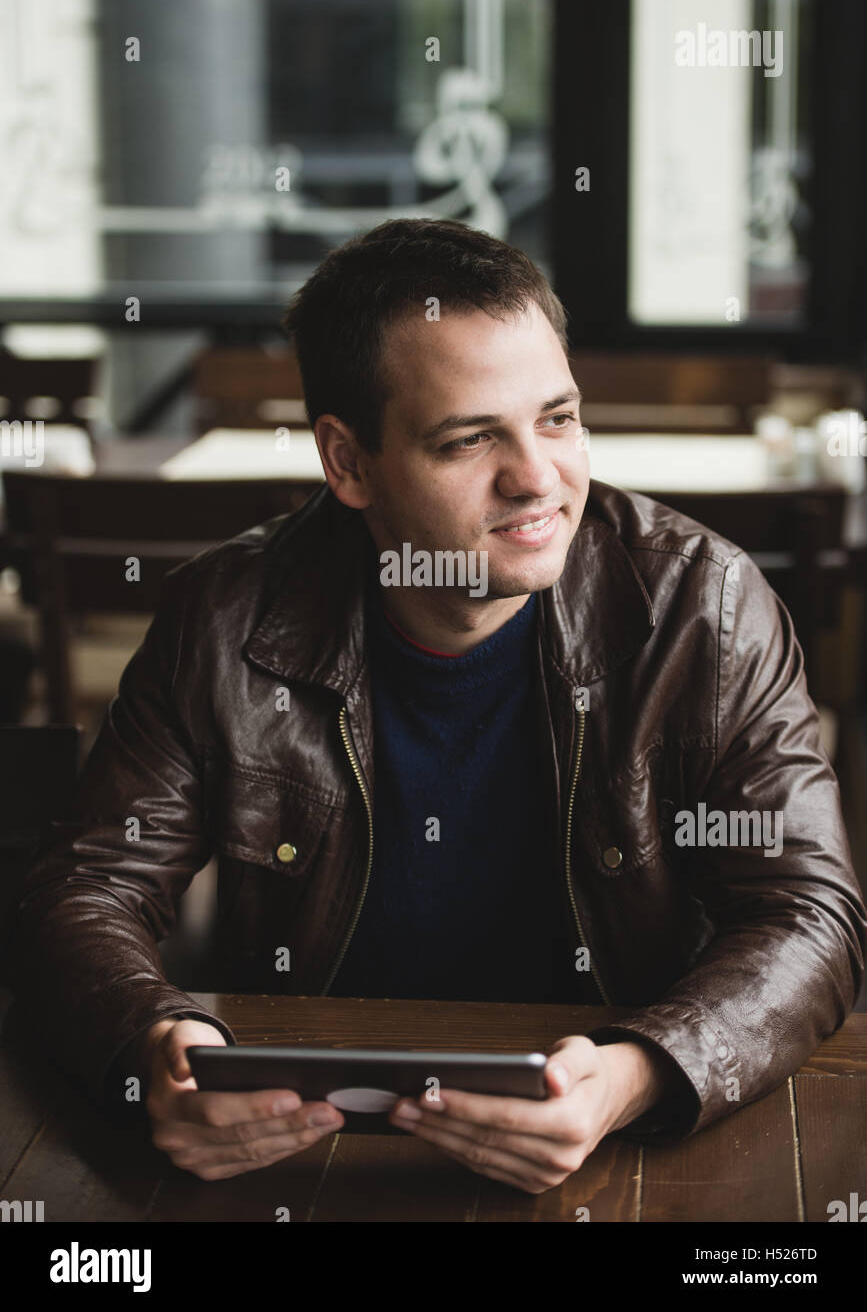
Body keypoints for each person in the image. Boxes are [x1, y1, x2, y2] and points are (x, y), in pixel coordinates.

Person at [12, 219, 866, 1195]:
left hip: (620, 1149)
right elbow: (85, 886)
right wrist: (157, 1050)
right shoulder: (222, 616)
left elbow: (810, 913)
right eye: (469, 439)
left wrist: (634, 1074)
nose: (539, 478)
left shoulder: (703, 605)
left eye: (557, 417)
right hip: (306, 1154)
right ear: (348, 464)